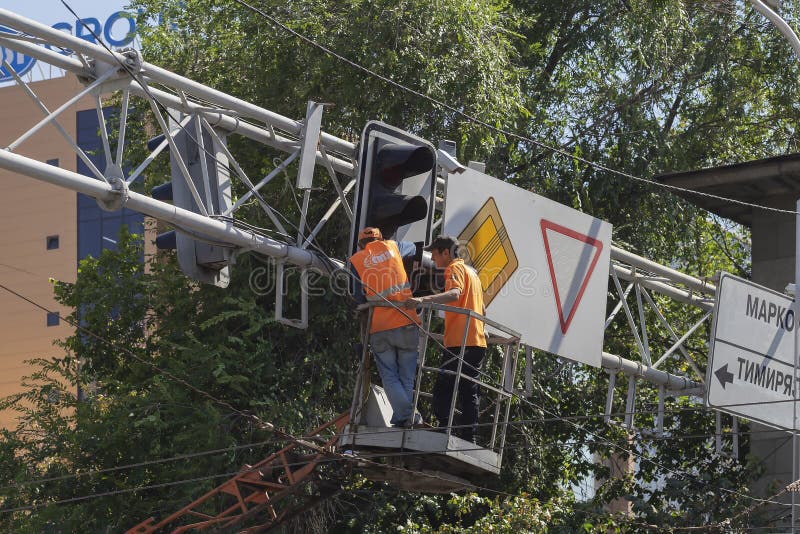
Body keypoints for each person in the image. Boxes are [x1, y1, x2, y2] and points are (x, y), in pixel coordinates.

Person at [405, 235, 486, 443]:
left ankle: (444, 428)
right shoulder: (473, 274)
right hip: (476, 341)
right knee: (469, 389)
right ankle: (470, 436)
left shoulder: (454, 268)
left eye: (435, 252)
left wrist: (422, 299)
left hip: (460, 341)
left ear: (446, 253)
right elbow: (482, 308)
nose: (432, 257)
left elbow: (454, 294)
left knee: (445, 385)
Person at [350, 227, 422, 427]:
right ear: (381, 238)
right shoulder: (394, 246)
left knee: (389, 375)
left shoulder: (356, 260)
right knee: (406, 377)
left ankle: (406, 417)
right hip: (407, 320)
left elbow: (358, 297)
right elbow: (415, 248)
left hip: (380, 326)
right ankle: (406, 417)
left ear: (360, 245)